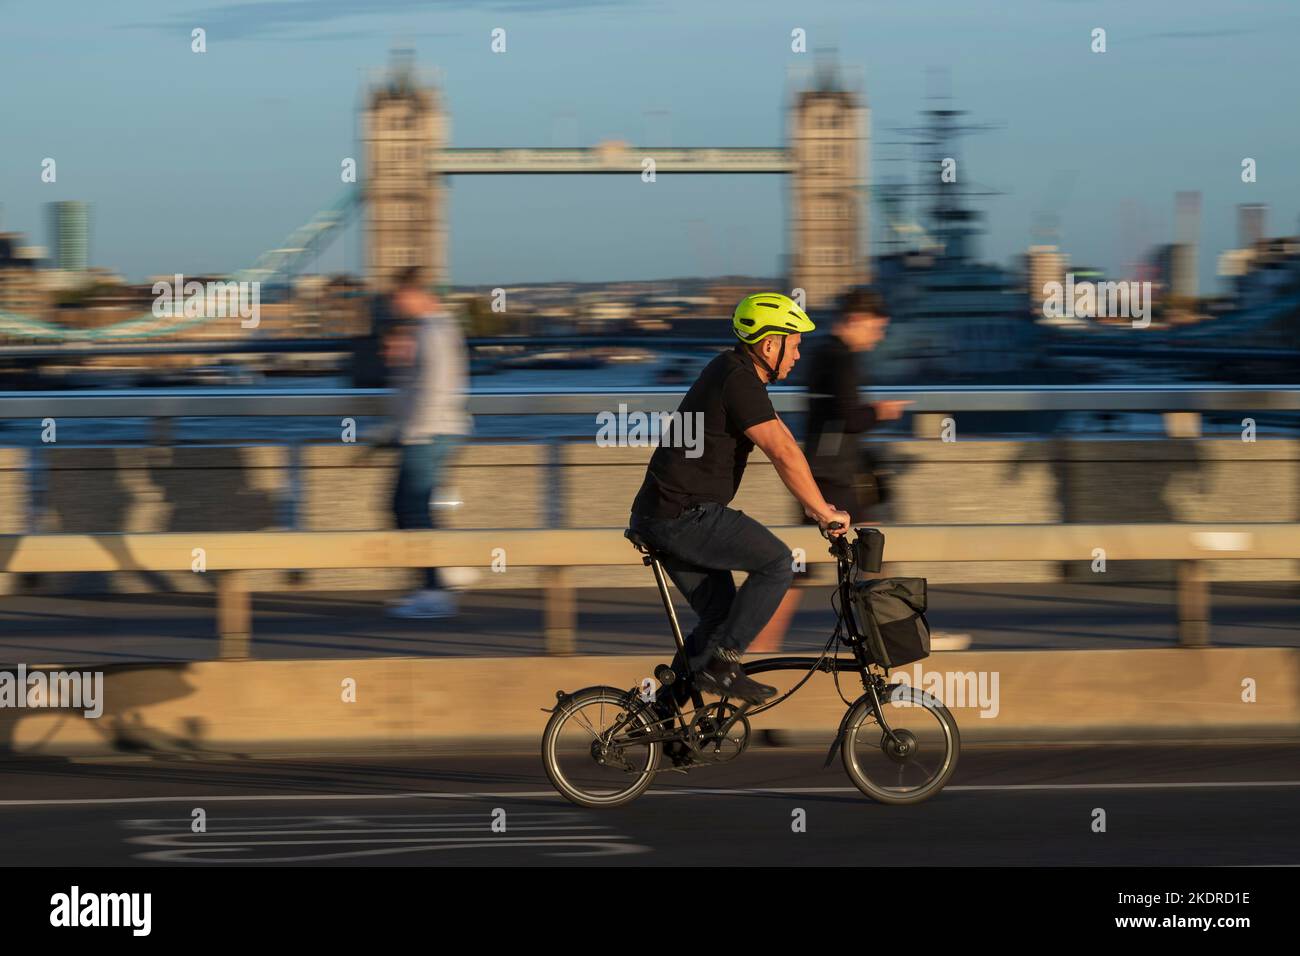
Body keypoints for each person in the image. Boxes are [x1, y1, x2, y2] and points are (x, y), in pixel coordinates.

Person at [628, 292, 851, 704]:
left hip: (661, 515)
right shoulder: (737, 379)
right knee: (777, 563)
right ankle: (723, 665)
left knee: (719, 615)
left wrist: (815, 505)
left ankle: (661, 716)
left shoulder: (733, 374)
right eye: (795, 343)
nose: (798, 354)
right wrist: (822, 512)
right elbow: (782, 451)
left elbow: (783, 438)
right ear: (769, 344)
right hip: (684, 516)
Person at [748, 285, 909, 652]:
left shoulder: (823, 353)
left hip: (821, 472)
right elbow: (849, 417)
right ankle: (891, 637)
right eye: (876, 327)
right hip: (837, 477)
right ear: (857, 319)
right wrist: (882, 412)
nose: (878, 335)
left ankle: (760, 644)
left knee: (801, 567)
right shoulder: (842, 357)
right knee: (873, 552)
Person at [384, 267, 472, 620]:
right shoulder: (436, 327)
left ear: (413, 294)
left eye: (397, 297)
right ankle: (444, 573)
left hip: (429, 432)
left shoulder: (432, 330)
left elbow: (433, 387)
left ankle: (434, 590)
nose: (394, 305)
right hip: (434, 430)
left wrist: (411, 432)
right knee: (417, 508)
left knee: (407, 508)